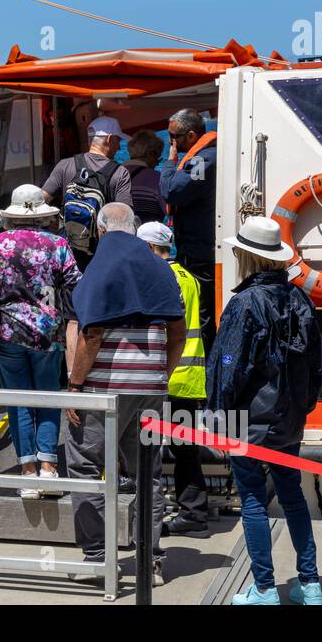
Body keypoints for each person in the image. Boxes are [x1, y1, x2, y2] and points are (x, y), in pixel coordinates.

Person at [64, 203, 186, 587]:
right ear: (134, 228)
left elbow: (93, 335)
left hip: (105, 391)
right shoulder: (162, 270)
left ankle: (99, 559)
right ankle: (150, 562)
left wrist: (75, 385)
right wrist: (161, 376)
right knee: (148, 473)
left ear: (101, 230)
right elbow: (178, 332)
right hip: (150, 390)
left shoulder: (99, 267)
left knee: (85, 467)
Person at [207, 216, 322, 605]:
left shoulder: (244, 303)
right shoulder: (300, 299)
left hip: (250, 420)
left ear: (246, 257)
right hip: (289, 417)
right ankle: (310, 584)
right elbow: (315, 366)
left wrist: (217, 415)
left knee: (253, 499)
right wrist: (303, 407)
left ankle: (264, 587)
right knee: (293, 495)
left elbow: (228, 367)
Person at [0, 184, 82, 498]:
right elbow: (75, 284)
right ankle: (49, 469)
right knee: (48, 399)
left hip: (8, 335)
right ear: (42, 215)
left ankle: (27, 473)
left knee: (19, 403)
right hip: (48, 335)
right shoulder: (58, 243)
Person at [137, 221, 210, 534]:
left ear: (150, 247)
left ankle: (148, 517)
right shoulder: (189, 278)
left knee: (147, 447)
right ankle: (193, 512)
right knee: (186, 449)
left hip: (162, 374)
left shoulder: (158, 276)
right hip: (189, 377)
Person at [40, 115, 134, 268]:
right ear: (110, 139)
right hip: (100, 258)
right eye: (118, 141)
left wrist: (50, 223)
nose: (119, 147)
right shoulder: (120, 173)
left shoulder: (65, 165)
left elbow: (39, 201)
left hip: (66, 254)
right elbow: (124, 218)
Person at [161, 109, 217, 352]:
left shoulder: (203, 160)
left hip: (200, 252)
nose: (171, 142)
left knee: (202, 309)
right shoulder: (204, 157)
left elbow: (172, 191)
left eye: (174, 137)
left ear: (192, 135)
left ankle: (205, 359)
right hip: (195, 248)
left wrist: (170, 162)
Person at [122, 131, 168, 226]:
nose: (157, 163)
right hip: (149, 234)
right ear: (150, 154)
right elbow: (170, 211)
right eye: (157, 158)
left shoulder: (114, 174)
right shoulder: (157, 178)